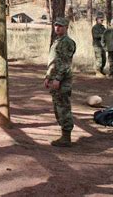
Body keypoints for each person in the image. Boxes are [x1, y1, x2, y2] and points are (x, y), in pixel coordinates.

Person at [43, 17, 76, 147]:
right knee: (58, 108)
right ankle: (64, 136)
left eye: (60, 26)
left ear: (66, 27)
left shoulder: (67, 42)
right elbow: (53, 62)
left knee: (63, 107)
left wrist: (58, 78)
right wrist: (47, 77)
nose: (57, 28)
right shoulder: (57, 41)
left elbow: (65, 63)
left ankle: (66, 137)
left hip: (62, 80)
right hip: (55, 79)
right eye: (56, 25)